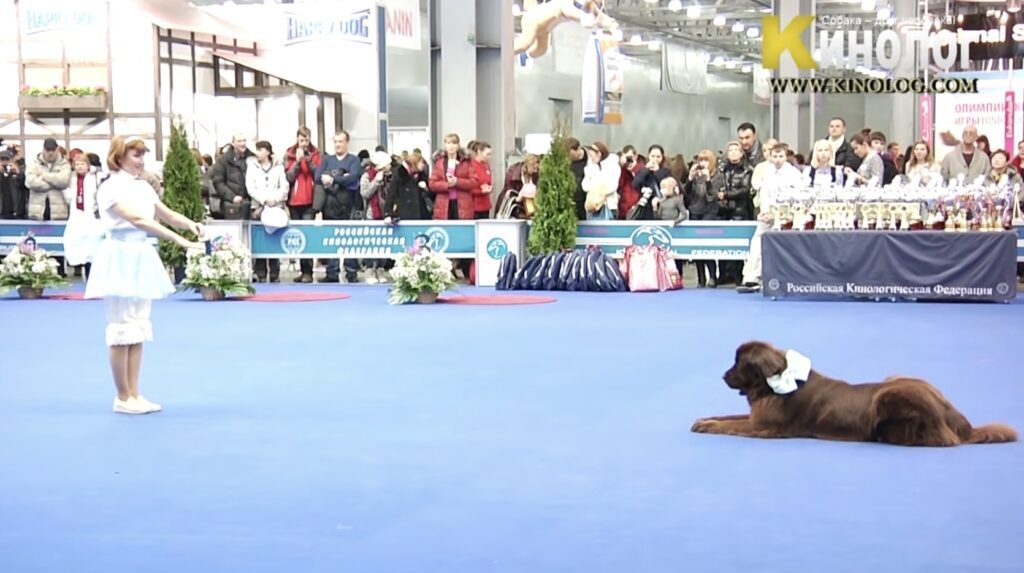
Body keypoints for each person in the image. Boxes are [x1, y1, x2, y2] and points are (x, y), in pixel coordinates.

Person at [84, 135, 205, 415]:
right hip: (120, 256)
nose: (141, 160)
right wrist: (180, 240)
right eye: (135, 155)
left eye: (142, 155)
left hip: (140, 254)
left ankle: (135, 393)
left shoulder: (143, 187)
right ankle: (122, 396)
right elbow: (139, 220)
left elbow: (165, 213)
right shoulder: (110, 188)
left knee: (138, 325)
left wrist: (190, 224)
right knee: (121, 327)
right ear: (119, 156)